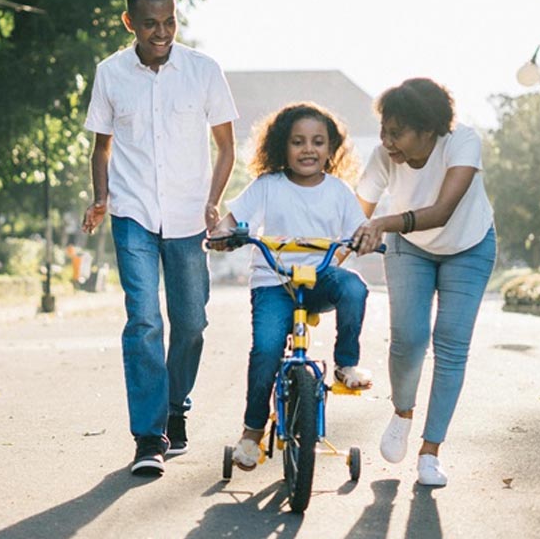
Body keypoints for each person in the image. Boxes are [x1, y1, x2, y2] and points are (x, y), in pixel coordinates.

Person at [81, 0, 238, 477]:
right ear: (130, 22)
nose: (162, 32)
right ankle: (149, 436)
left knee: (190, 323)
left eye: (170, 21)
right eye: (150, 24)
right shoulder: (110, 74)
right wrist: (101, 198)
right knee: (145, 320)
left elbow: (226, 146)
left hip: (189, 215)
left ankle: (175, 408)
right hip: (132, 213)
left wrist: (213, 201)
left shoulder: (203, 70)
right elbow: (102, 147)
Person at [209, 102, 372, 471]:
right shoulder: (268, 186)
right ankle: (252, 432)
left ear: (331, 149)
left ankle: (346, 364)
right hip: (274, 281)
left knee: (354, 288)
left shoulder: (339, 191)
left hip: (319, 279)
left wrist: (363, 241)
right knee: (266, 350)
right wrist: (222, 234)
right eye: (298, 142)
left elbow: (357, 231)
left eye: (318, 142)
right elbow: (232, 221)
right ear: (282, 145)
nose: (308, 149)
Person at [352, 77, 496, 487]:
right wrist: (331, 256)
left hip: (469, 245)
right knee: (409, 338)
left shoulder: (462, 142)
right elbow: (356, 215)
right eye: (383, 130)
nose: (386, 141)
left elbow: (442, 211)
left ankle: (430, 452)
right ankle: (402, 412)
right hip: (409, 247)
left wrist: (382, 223)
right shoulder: (384, 156)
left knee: (451, 343)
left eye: (396, 133)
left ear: (428, 129)